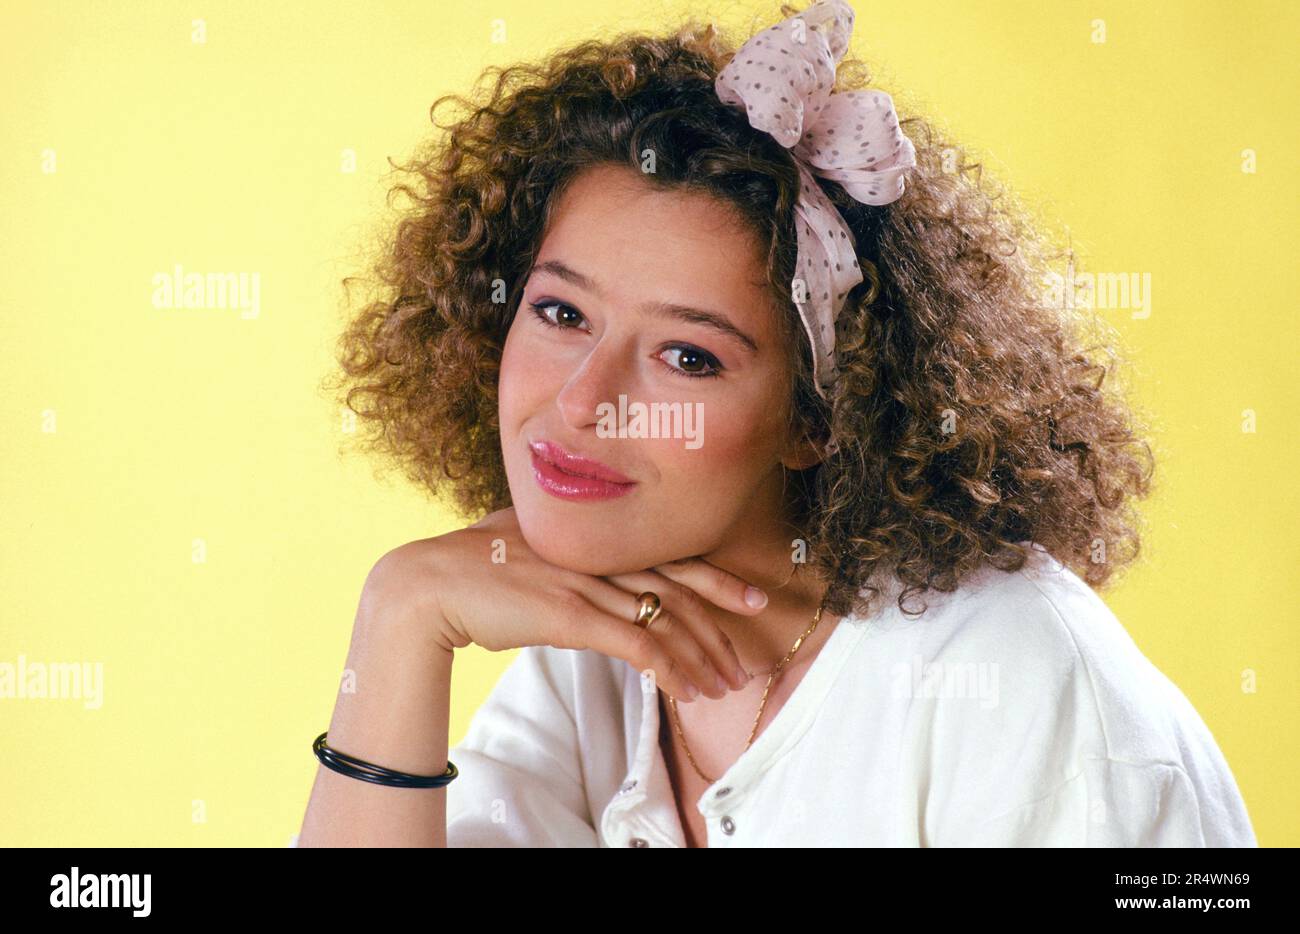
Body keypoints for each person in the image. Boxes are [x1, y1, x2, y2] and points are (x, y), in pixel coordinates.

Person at [295, 0, 1257, 847]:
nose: (585, 400)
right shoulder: (593, 645)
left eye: (689, 357)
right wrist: (399, 620)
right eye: (560, 313)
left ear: (816, 419)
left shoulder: (1022, 690)